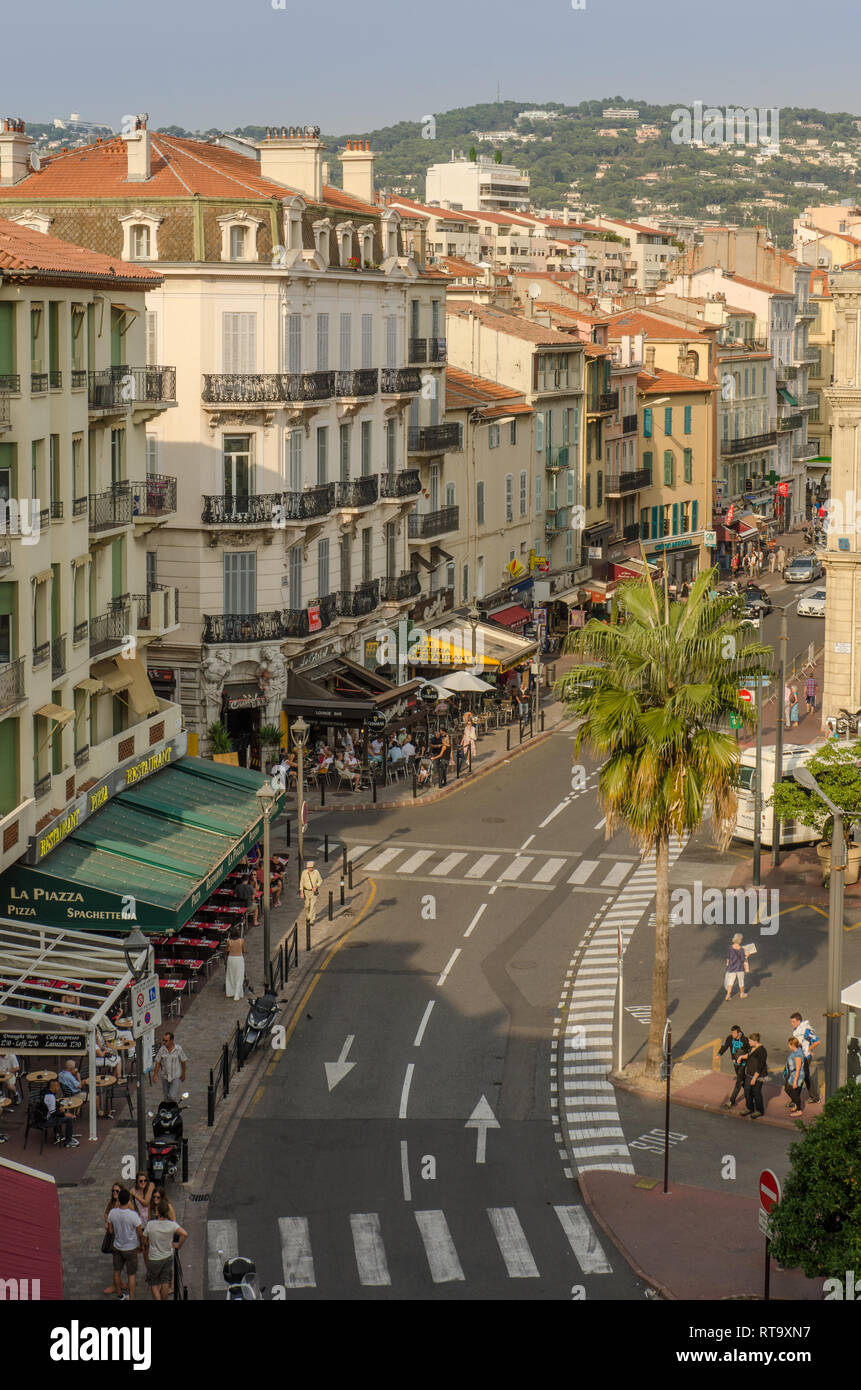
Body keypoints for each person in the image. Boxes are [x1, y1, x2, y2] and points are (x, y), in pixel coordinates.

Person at [144, 1199, 188, 1301]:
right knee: (165, 1282)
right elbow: (184, 1234)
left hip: (154, 1258)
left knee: (154, 1283)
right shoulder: (172, 1225)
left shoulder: (150, 1224)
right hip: (167, 1257)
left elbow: (144, 1240)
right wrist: (178, 1246)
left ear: (157, 1212)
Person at [108, 1187, 144, 1300]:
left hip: (118, 1246)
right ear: (129, 1200)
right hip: (131, 1248)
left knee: (117, 1271)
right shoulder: (133, 1215)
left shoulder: (112, 1213)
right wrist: (142, 1245)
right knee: (131, 1274)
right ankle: (131, 1297)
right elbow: (140, 1232)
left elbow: (110, 1230)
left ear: (119, 1200)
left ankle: (119, 1295)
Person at [789, 1012, 821, 1103]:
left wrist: (809, 1049)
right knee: (805, 1077)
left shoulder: (806, 1030)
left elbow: (817, 1041)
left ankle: (795, 1100)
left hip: (805, 1057)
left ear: (799, 1021)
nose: (792, 1024)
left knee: (799, 1076)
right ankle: (815, 1097)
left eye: (793, 1022)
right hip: (800, 1056)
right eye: (791, 1022)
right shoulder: (798, 1029)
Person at [103, 1183, 127, 1295]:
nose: (115, 1193)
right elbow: (106, 1213)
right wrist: (108, 1221)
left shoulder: (124, 1203)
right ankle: (115, 1284)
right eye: (113, 1191)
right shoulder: (112, 1203)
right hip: (114, 1236)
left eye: (117, 1191)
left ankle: (119, 1282)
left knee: (121, 1261)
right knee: (116, 1261)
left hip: (123, 1235)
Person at [719, 1026, 750, 1110]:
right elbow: (725, 1046)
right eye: (732, 1032)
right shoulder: (730, 1038)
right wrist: (719, 1054)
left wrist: (743, 1058)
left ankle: (731, 1101)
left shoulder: (745, 1040)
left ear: (739, 1033)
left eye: (734, 1033)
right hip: (735, 1063)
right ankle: (751, 1095)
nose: (732, 1034)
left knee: (739, 1082)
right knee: (743, 1081)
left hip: (743, 1064)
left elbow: (750, 1052)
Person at [42, 1080, 79, 1147]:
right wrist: (65, 1114)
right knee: (69, 1119)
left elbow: (53, 1104)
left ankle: (58, 1134)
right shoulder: (51, 1097)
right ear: (54, 1087)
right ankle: (68, 1141)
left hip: (42, 1117)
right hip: (47, 1120)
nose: (59, 1088)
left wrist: (59, 1106)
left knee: (61, 1114)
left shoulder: (46, 1093)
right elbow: (53, 1113)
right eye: (58, 1086)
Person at [152, 1033, 187, 1103]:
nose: (164, 1042)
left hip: (175, 1077)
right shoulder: (162, 1050)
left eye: (166, 1041)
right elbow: (158, 1062)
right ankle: (168, 1111)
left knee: (172, 1096)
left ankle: (175, 1105)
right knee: (166, 1097)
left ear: (171, 1041)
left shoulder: (178, 1049)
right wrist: (155, 1074)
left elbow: (183, 1061)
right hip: (165, 1077)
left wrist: (183, 1074)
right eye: (163, 1040)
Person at [741, 1033, 768, 1118]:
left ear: (755, 1041)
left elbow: (760, 1066)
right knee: (747, 1091)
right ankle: (750, 1108)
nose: (749, 1042)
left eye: (750, 1041)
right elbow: (749, 1055)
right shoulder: (752, 1048)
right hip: (749, 1074)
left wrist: (754, 1078)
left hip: (759, 1076)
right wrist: (741, 1057)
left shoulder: (762, 1051)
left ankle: (760, 1110)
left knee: (756, 1093)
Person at [783, 1037, 805, 1117]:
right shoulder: (796, 1050)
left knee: (792, 1091)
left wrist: (795, 1081)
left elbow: (798, 1069)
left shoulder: (797, 1054)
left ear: (792, 1045)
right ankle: (796, 1105)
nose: (788, 1046)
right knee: (790, 1090)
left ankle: (799, 1110)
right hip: (792, 1075)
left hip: (796, 1076)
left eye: (789, 1044)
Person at [723, 933, 749, 1001]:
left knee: (730, 982)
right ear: (740, 940)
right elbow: (743, 959)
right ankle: (742, 994)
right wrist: (748, 955)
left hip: (731, 967)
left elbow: (728, 957)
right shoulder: (741, 949)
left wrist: (728, 963)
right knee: (741, 981)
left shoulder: (730, 947)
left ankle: (728, 994)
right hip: (739, 968)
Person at [225, 926, 246, 1001]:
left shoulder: (229, 941)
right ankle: (237, 994)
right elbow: (244, 950)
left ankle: (230, 992)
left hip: (231, 959)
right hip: (239, 959)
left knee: (230, 975)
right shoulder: (242, 941)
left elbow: (227, 950)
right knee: (239, 976)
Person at [300, 859, 323, 926]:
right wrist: (301, 892)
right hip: (306, 891)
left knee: (312, 905)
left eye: (311, 867)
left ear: (313, 867)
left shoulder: (316, 872)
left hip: (313, 892)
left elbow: (320, 880)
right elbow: (301, 882)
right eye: (309, 867)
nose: (310, 868)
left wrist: (316, 886)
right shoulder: (304, 872)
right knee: (307, 905)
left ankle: (311, 919)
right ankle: (308, 915)